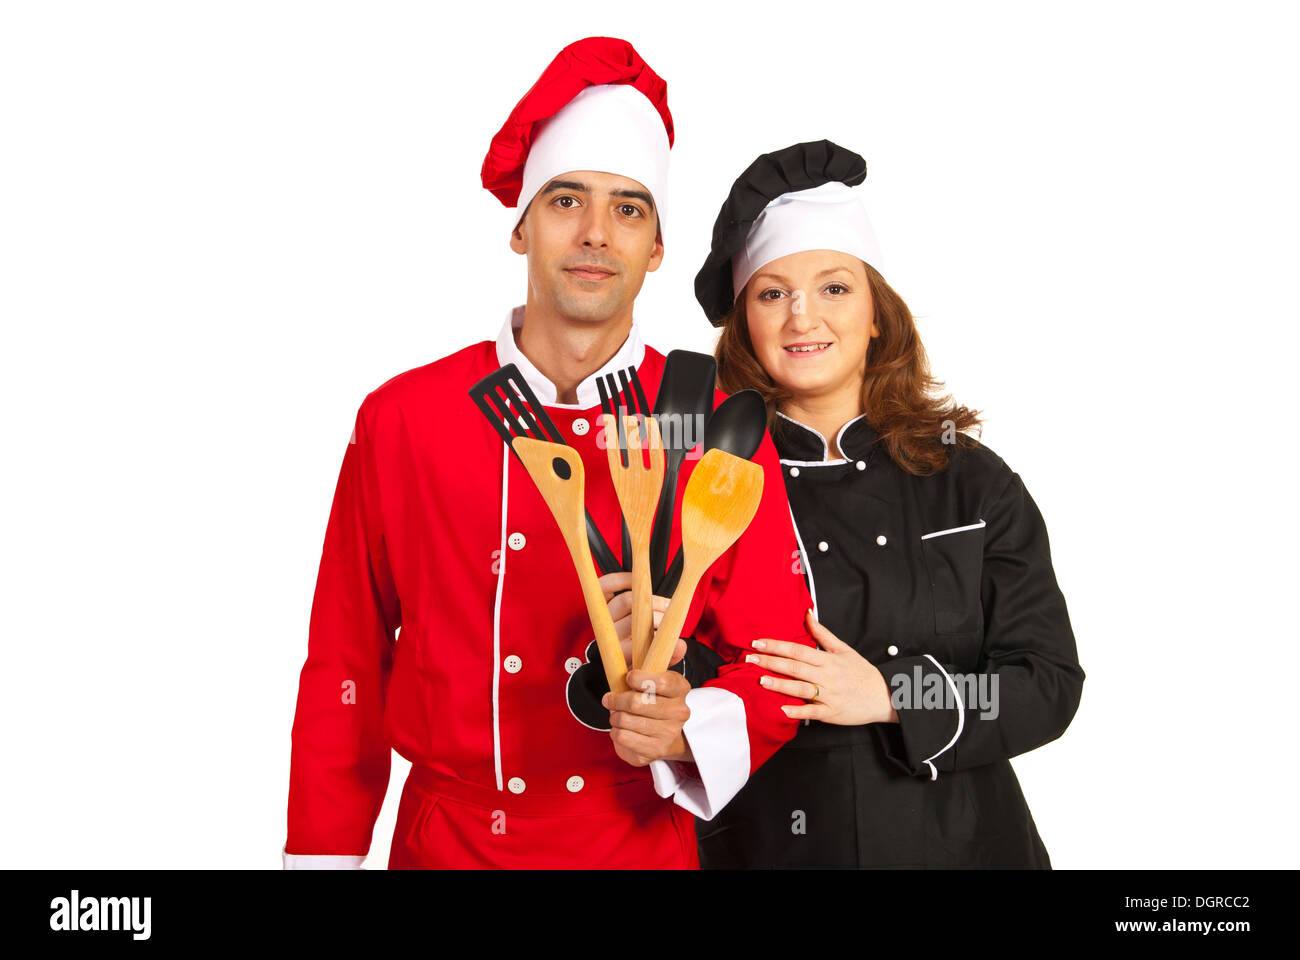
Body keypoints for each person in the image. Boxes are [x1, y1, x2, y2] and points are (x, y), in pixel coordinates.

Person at [282, 38, 816, 870]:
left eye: (629, 210)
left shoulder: (708, 421)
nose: (596, 233)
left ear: (657, 249)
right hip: (445, 845)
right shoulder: (405, 417)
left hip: (632, 843)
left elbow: (779, 660)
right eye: (567, 200)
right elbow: (346, 661)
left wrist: (689, 724)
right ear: (521, 227)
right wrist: (322, 858)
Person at [680, 139, 1085, 868]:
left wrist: (896, 694)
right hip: (770, 848)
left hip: (964, 848)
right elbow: (674, 686)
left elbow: (1047, 685)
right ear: (745, 326)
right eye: (772, 294)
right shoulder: (708, 485)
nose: (802, 318)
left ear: (876, 315)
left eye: (834, 288)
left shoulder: (972, 482)